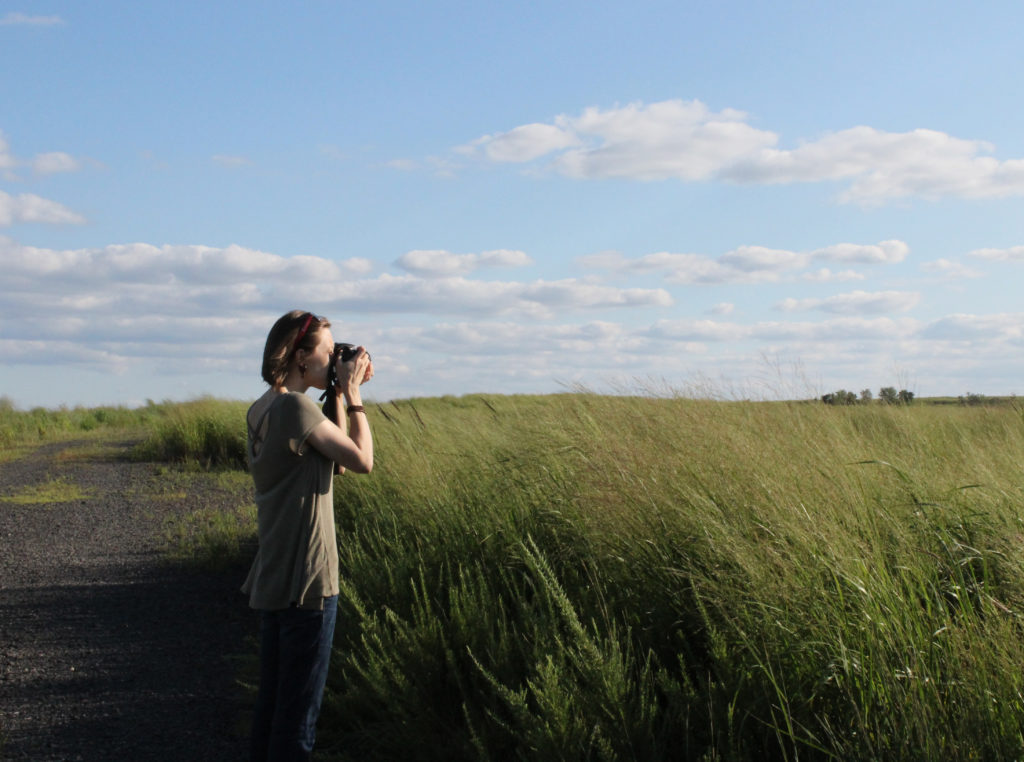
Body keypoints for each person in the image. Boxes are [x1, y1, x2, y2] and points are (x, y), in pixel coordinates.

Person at [243, 310, 374, 761]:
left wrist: (333, 389)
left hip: (276, 575)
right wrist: (353, 395)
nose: (333, 359)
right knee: (298, 722)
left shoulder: (263, 408)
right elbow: (361, 461)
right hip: (308, 579)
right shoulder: (296, 408)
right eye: (327, 351)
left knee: (273, 709)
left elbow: (332, 464)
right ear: (301, 357)